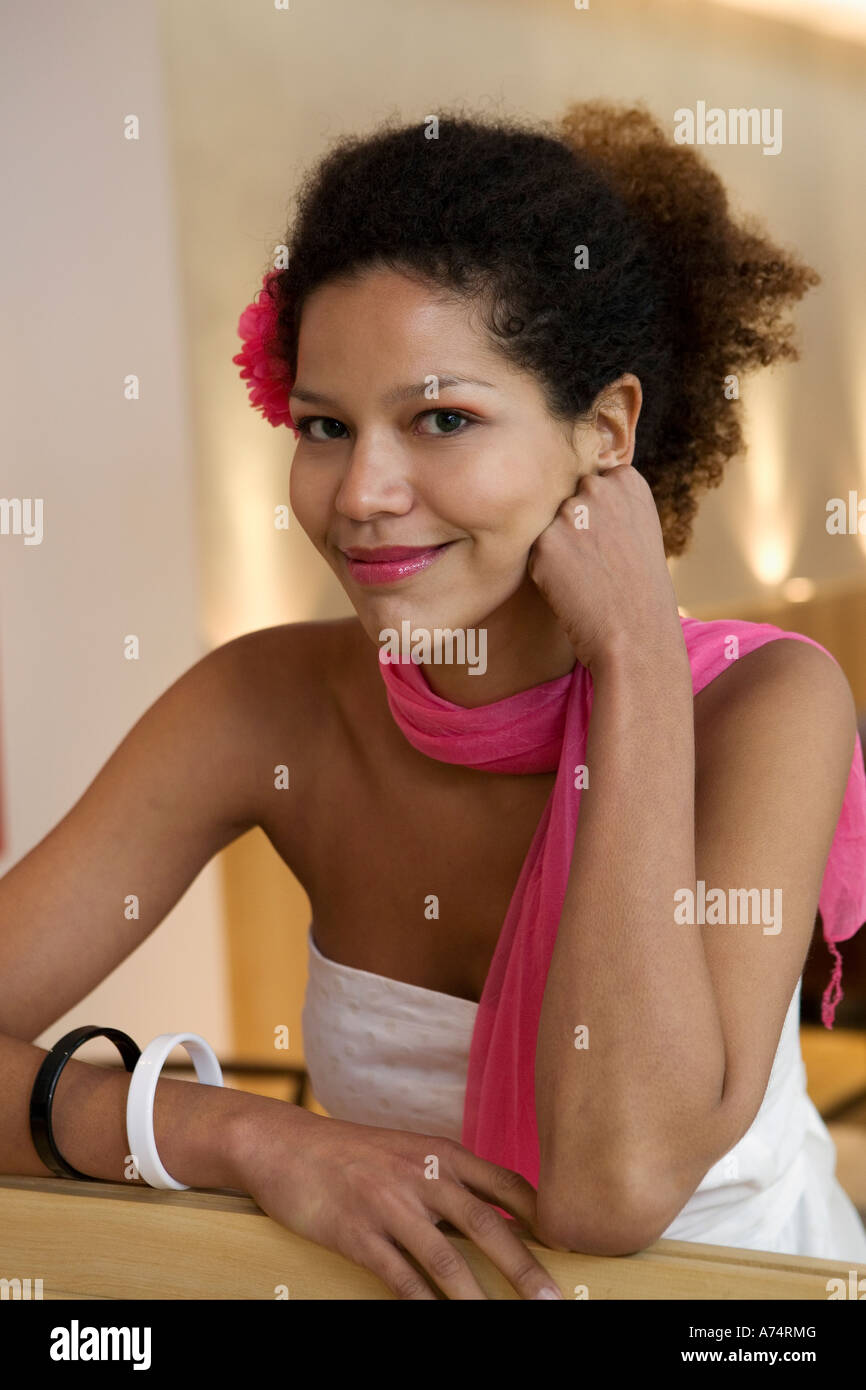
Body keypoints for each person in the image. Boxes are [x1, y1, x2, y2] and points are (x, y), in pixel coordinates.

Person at [2, 102, 865, 1301]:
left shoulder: (767, 705)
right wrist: (248, 1134)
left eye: (441, 419)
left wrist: (633, 667)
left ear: (604, 431)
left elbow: (608, 1190)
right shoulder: (263, 705)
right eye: (324, 426)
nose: (360, 492)